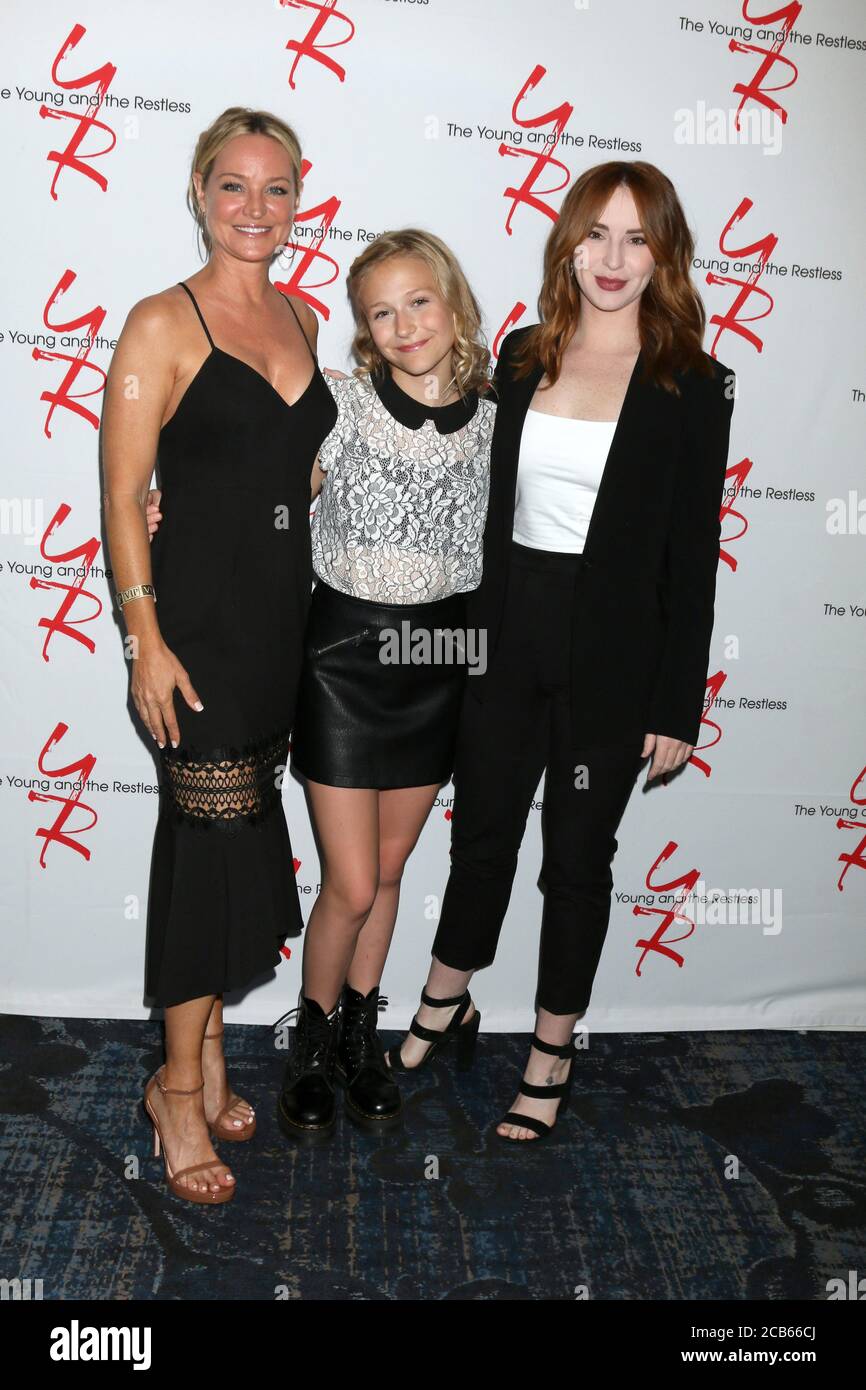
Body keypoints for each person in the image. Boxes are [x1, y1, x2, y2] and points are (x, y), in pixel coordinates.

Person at [386, 162, 736, 1145]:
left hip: (614, 652)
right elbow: (473, 497)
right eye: (595, 235)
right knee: (481, 835)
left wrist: (677, 703)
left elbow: (691, 555)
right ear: (567, 244)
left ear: (663, 252)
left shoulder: (690, 383)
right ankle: (442, 1001)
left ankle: (549, 1052)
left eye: (636, 238)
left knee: (575, 860)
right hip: (507, 630)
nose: (613, 259)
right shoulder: (520, 355)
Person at [103, 107, 337, 1202]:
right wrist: (143, 637)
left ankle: (203, 1053)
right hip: (191, 627)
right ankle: (176, 1090)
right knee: (204, 845)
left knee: (240, 842)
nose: (256, 207)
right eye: (233, 186)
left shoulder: (303, 317)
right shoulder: (162, 321)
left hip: (280, 623)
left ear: (299, 199)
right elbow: (119, 491)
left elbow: (289, 474)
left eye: (276, 187)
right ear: (200, 192)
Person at [278, 230, 496, 1138]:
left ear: (453, 304)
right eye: (381, 311)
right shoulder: (339, 405)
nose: (404, 324)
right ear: (363, 330)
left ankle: (363, 1037)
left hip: (441, 653)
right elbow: (270, 493)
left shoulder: (498, 416)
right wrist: (167, 509)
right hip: (343, 655)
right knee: (353, 881)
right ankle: (312, 1040)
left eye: (419, 302)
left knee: (396, 870)